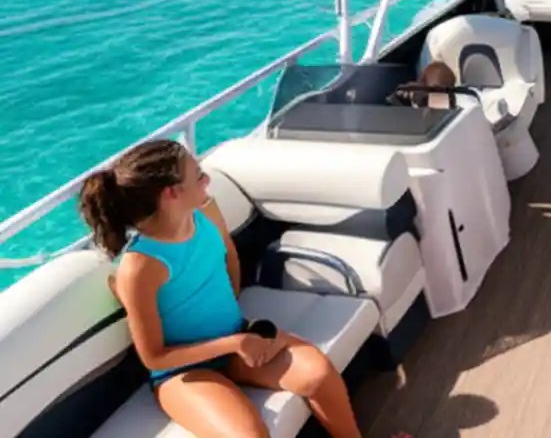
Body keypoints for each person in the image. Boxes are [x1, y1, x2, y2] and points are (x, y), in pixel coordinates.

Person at [79, 139, 361, 438]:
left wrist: (241, 331)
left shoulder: (205, 213)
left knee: (319, 374)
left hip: (236, 337)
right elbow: (154, 358)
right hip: (182, 372)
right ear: (171, 193)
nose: (207, 179)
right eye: (198, 175)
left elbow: (230, 259)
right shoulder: (140, 266)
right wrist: (234, 344)